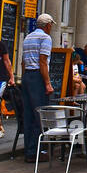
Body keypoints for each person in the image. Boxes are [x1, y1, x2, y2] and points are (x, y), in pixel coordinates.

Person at [20, 13, 55, 163]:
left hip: (27, 76)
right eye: (51, 25)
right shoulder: (45, 38)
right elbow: (42, 61)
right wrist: (47, 83)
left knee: (28, 114)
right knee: (39, 114)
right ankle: (36, 151)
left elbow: (23, 62)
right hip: (37, 77)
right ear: (47, 26)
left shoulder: (28, 37)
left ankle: (29, 149)